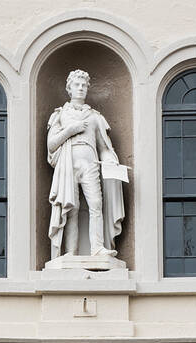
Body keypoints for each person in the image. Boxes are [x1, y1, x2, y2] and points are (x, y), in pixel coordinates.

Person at [46, 69, 124, 260]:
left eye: (84, 85)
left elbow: (103, 146)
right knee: (71, 207)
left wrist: (109, 159)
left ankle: (97, 247)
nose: (80, 88)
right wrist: (70, 130)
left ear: (87, 89)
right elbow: (51, 144)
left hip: (90, 162)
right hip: (67, 163)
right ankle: (70, 252)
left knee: (96, 204)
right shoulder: (61, 114)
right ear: (69, 89)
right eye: (76, 85)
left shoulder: (94, 117)